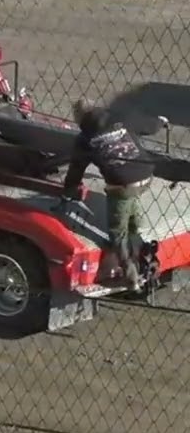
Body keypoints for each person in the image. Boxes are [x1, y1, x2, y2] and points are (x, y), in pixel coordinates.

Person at [60, 98, 156, 290]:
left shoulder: (84, 139)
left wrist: (69, 190)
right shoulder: (119, 119)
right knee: (130, 206)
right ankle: (138, 235)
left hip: (122, 184)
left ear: (79, 118)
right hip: (147, 174)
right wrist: (160, 122)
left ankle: (130, 276)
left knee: (117, 232)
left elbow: (76, 169)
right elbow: (147, 126)